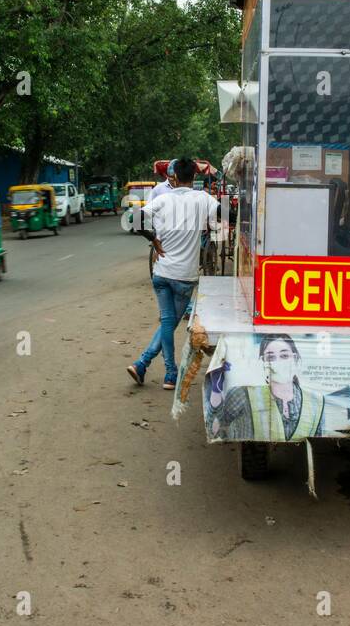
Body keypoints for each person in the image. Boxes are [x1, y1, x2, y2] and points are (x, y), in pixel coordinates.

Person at [126, 158, 220, 390]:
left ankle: (142, 364)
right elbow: (227, 214)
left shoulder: (163, 198)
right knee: (168, 323)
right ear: (195, 178)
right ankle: (169, 374)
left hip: (160, 273)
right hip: (184, 277)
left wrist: (154, 240)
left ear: (174, 177)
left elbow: (133, 219)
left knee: (167, 322)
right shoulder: (203, 198)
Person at [220, 335, 326, 441]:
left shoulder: (316, 403)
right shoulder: (242, 395)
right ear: (263, 362)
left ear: (295, 359)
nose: (277, 362)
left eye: (284, 356)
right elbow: (220, 426)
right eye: (270, 357)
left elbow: (318, 441)